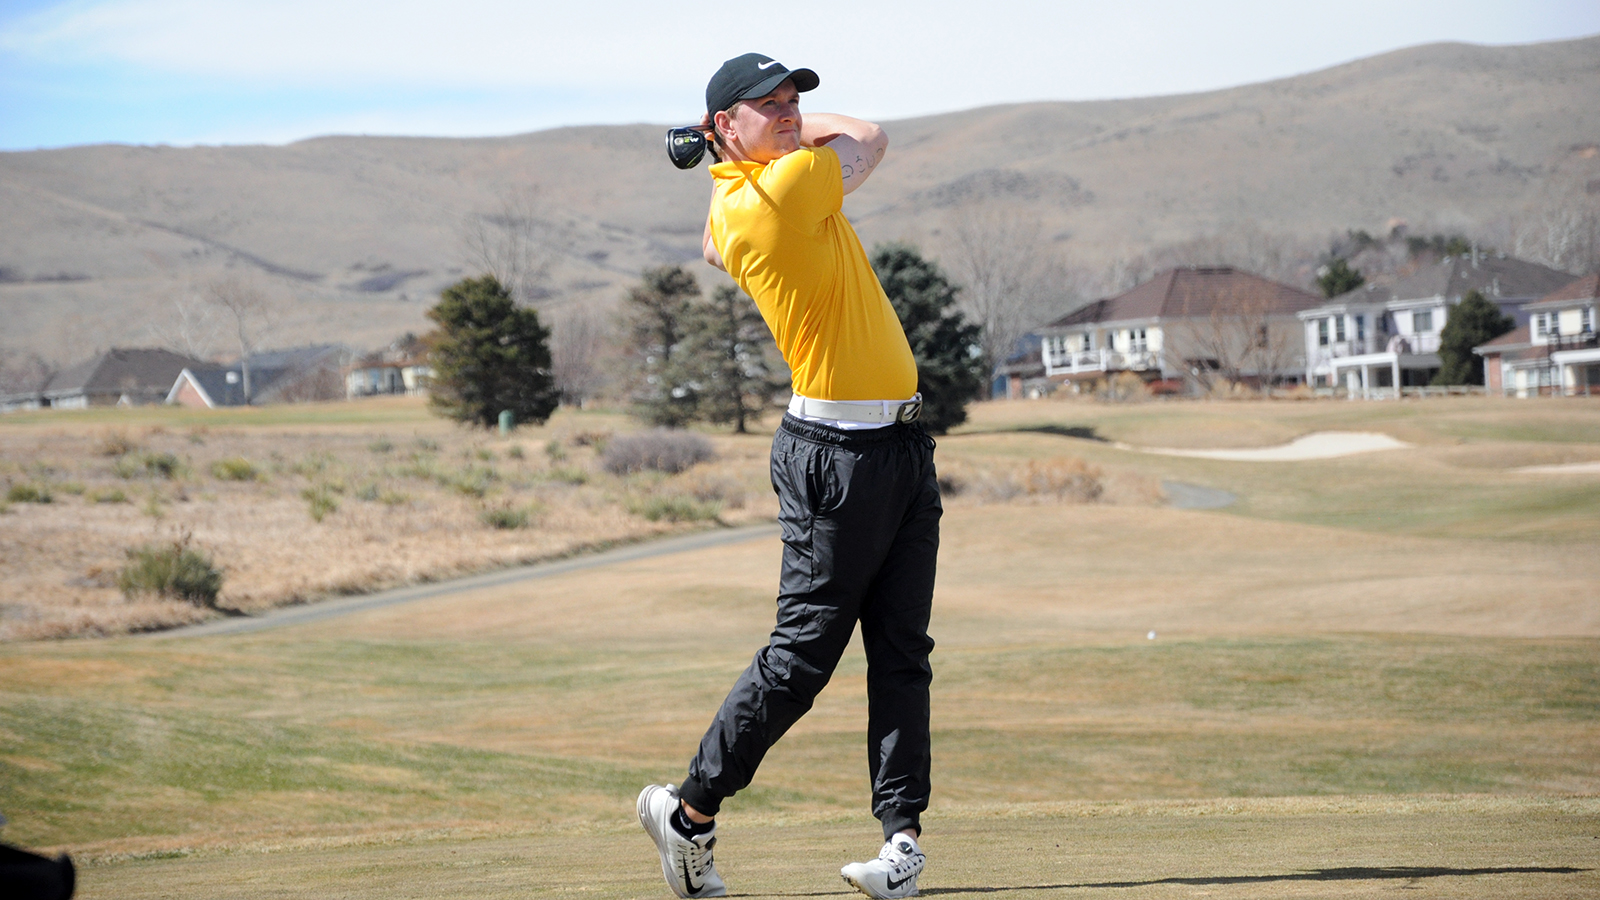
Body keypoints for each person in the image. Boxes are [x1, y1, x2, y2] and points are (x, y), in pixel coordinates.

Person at [637, 53, 940, 900]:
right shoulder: (786, 188)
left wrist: (734, 151)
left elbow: (708, 245)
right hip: (836, 463)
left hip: (902, 450)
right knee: (804, 655)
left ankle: (901, 844)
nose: (787, 113)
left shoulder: (742, 199)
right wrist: (784, 139)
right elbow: (873, 138)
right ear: (723, 124)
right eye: (763, 105)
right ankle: (688, 812)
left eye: (792, 101)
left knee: (901, 654)